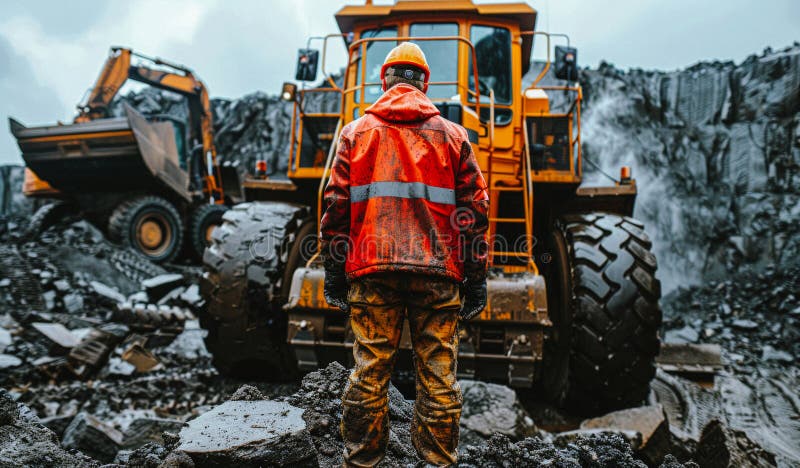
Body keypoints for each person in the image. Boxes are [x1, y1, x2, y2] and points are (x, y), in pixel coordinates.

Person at [319, 42, 489, 467]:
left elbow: (335, 206)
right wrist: (476, 277)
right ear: (425, 83)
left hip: (371, 272)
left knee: (369, 372)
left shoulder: (355, 134)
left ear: (384, 80)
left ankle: (362, 461)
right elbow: (474, 211)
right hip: (439, 277)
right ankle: (437, 461)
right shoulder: (454, 137)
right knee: (438, 374)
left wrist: (335, 273)